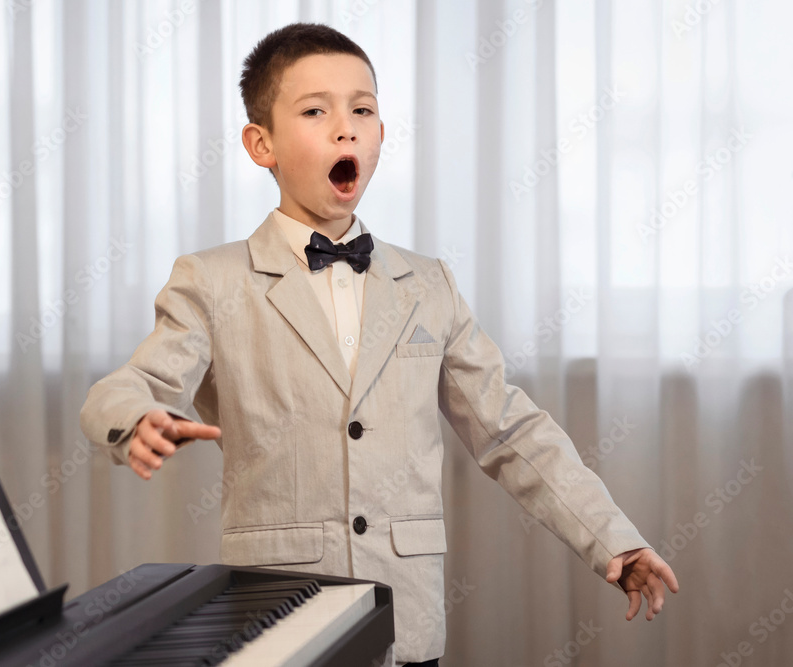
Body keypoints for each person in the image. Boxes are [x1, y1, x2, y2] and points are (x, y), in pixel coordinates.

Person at [79, 22, 679, 666]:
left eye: (362, 110)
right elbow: (127, 386)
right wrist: (135, 417)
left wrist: (609, 538)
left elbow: (509, 429)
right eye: (315, 111)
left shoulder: (428, 283)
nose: (346, 128)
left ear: (382, 135)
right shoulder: (213, 279)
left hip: (407, 616)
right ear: (262, 144)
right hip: (280, 614)